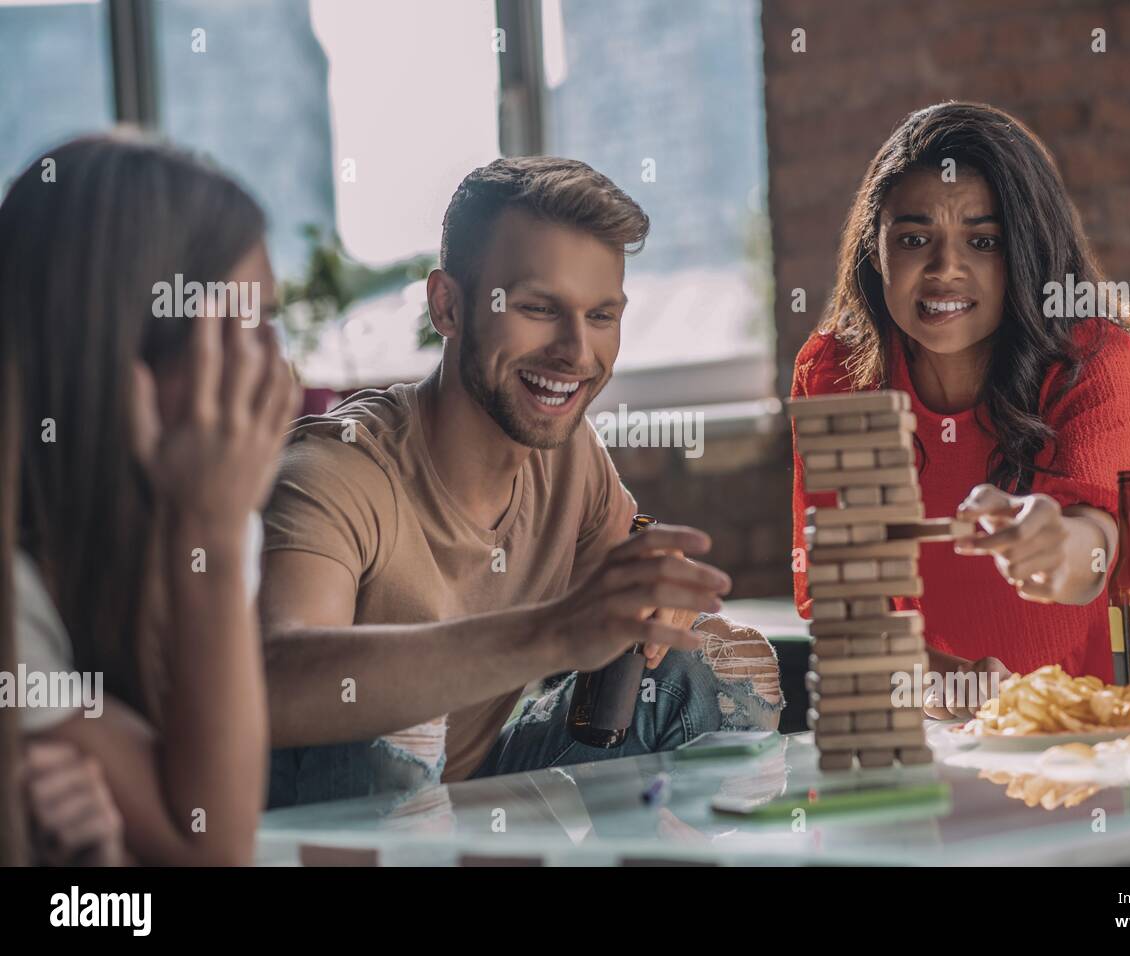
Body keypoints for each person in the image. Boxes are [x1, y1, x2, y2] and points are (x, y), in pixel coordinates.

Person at [260, 157, 783, 806]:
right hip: (326, 814)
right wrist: (553, 633)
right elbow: (276, 681)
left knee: (713, 671)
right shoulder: (333, 470)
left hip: (478, 792)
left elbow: (630, 581)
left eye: (601, 316)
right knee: (396, 736)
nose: (576, 352)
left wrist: (651, 593)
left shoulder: (570, 456)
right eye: (539, 308)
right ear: (447, 306)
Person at [790, 102, 1130, 720]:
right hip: (950, 749)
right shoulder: (832, 376)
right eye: (914, 238)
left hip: (1114, 733)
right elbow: (846, 603)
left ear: (1027, 253)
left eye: (984, 241)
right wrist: (944, 681)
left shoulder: (1091, 357)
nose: (945, 268)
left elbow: (1096, 552)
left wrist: (1052, 545)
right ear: (875, 249)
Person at [0, 133, 298, 864]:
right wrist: (213, 531)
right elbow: (207, 845)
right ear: (125, 354)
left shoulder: (186, 513)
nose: (276, 375)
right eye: (244, 332)